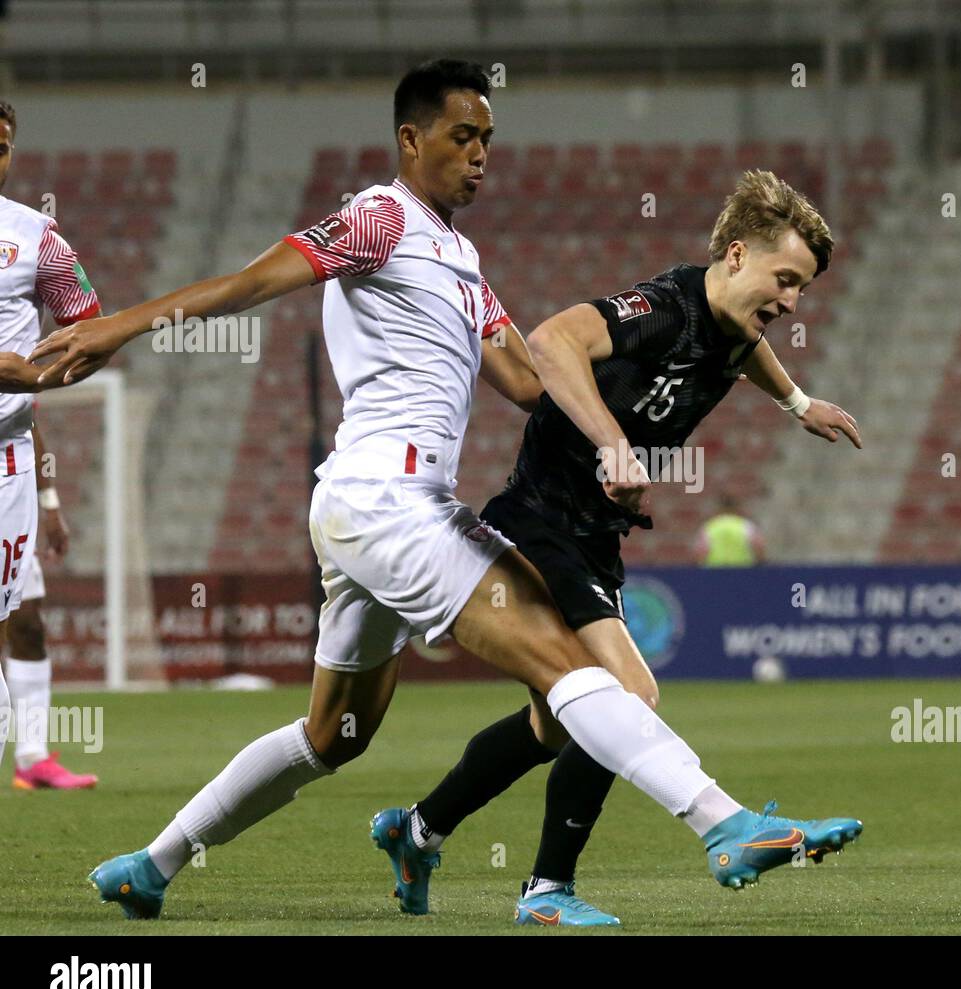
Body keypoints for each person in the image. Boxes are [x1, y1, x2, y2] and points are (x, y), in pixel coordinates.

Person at [24, 59, 859, 921]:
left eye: (489, 140)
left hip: (377, 511)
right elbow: (249, 283)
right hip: (387, 502)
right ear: (411, 139)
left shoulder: (460, 257)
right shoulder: (377, 220)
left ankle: (151, 866)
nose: (480, 155)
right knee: (574, 670)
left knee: (332, 738)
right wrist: (116, 329)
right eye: (463, 137)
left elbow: (529, 376)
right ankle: (724, 825)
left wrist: (645, 378)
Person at [375, 169, 862, 926]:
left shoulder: (738, 327)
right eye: (785, 279)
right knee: (629, 694)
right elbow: (549, 340)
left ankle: (418, 830)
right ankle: (546, 891)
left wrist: (798, 402)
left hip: (596, 537)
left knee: (554, 721)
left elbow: (746, 353)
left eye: (802, 289)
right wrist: (612, 445)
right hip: (540, 518)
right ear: (736, 255)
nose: (793, 303)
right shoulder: (664, 307)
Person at [0, 100, 102, 777]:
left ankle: (31, 752)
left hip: (5, 455)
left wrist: (38, 370)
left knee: (14, 610)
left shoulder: (37, 235)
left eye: (2, 142)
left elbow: (88, 333)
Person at [7, 414, 98, 788]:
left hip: (12, 507)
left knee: (28, 626)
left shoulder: (17, 361)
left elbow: (28, 425)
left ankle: (32, 757)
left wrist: (50, 506)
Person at [695, 493, 765, 567]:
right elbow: (758, 547)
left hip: (715, 571)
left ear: (719, 509)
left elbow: (701, 551)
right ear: (737, 509)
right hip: (743, 571)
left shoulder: (710, 527)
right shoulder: (746, 525)